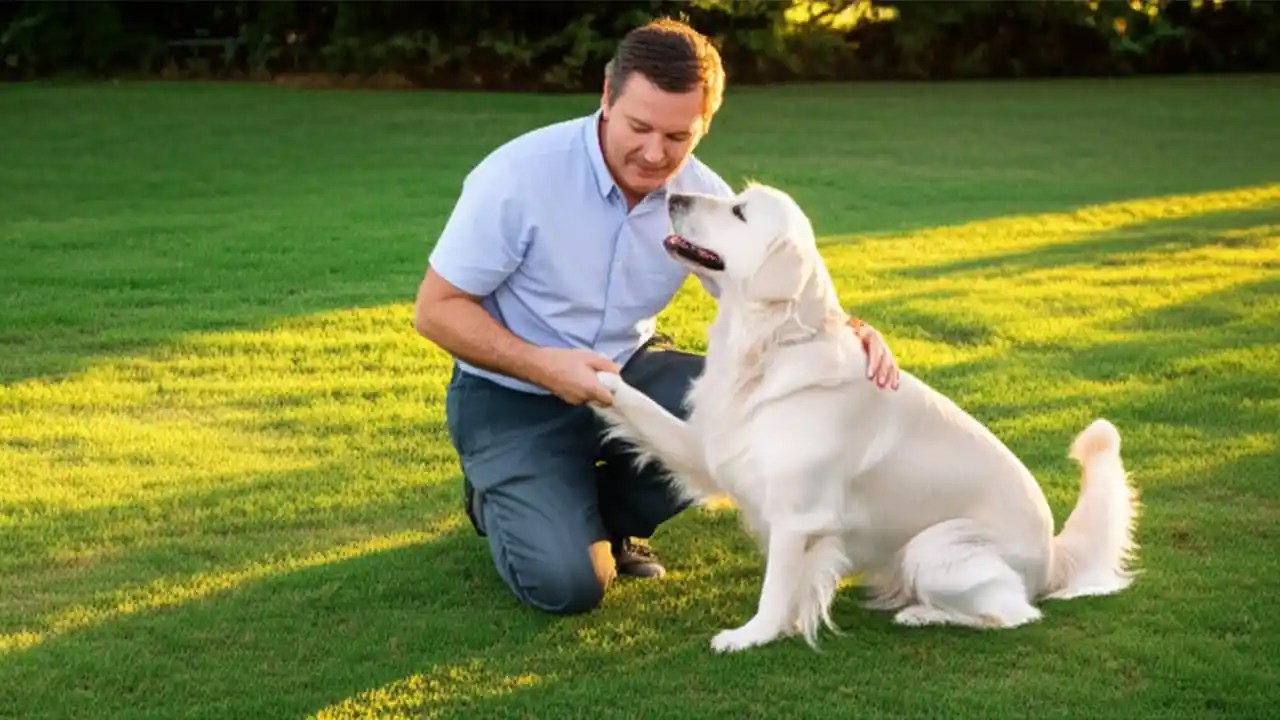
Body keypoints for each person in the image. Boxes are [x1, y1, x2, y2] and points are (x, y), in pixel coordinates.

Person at [413, 18, 900, 615]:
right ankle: (503, 499)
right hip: (511, 393)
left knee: (748, 416)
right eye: (638, 127)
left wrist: (853, 332)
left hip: (629, 370)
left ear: (705, 124)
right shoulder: (519, 176)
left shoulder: (700, 197)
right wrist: (544, 367)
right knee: (569, 586)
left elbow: (777, 294)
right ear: (606, 96)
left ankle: (599, 516)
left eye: (677, 136)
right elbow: (436, 310)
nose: (653, 153)